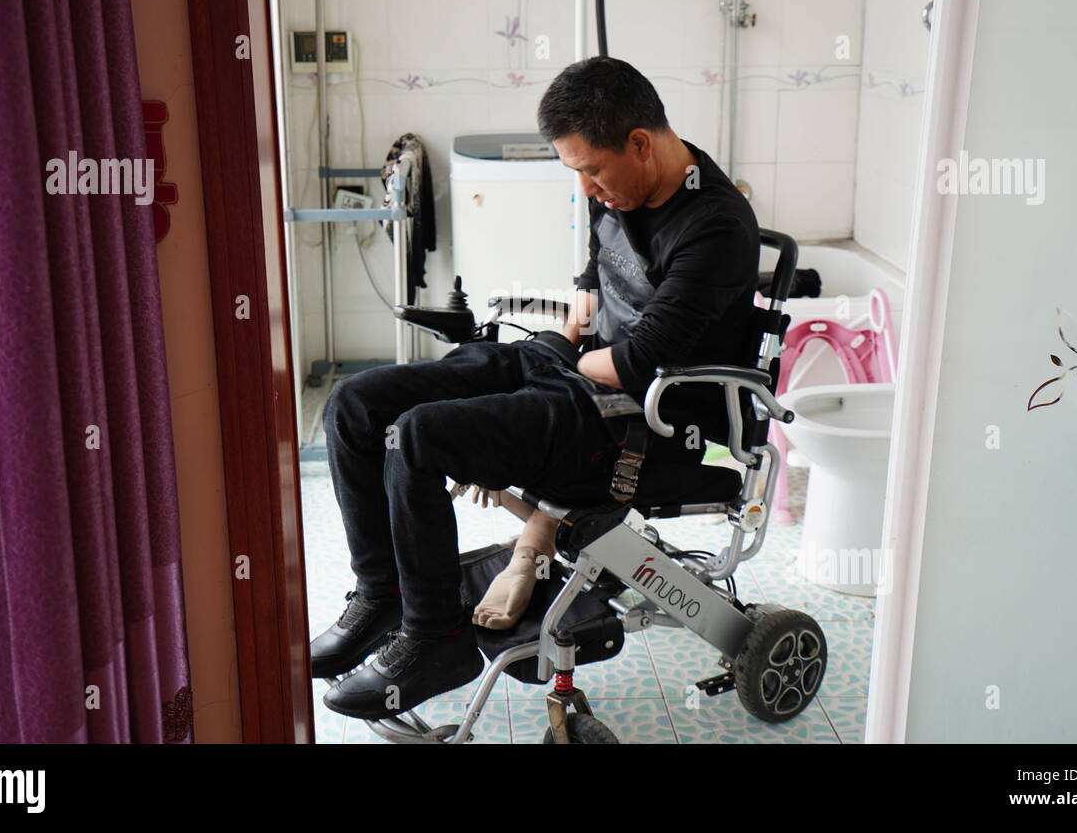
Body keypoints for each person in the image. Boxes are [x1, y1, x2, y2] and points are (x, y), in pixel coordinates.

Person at [313, 57, 761, 720]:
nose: (585, 189)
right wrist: (582, 302)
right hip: (577, 373)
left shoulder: (716, 227)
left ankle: (436, 639)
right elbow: (600, 264)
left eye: (593, 171)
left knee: (421, 437)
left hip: (641, 424)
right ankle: (382, 597)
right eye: (574, 171)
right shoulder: (629, 187)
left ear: (640, 144)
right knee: (353, 406)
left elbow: (640, 362)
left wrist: (572, 360)